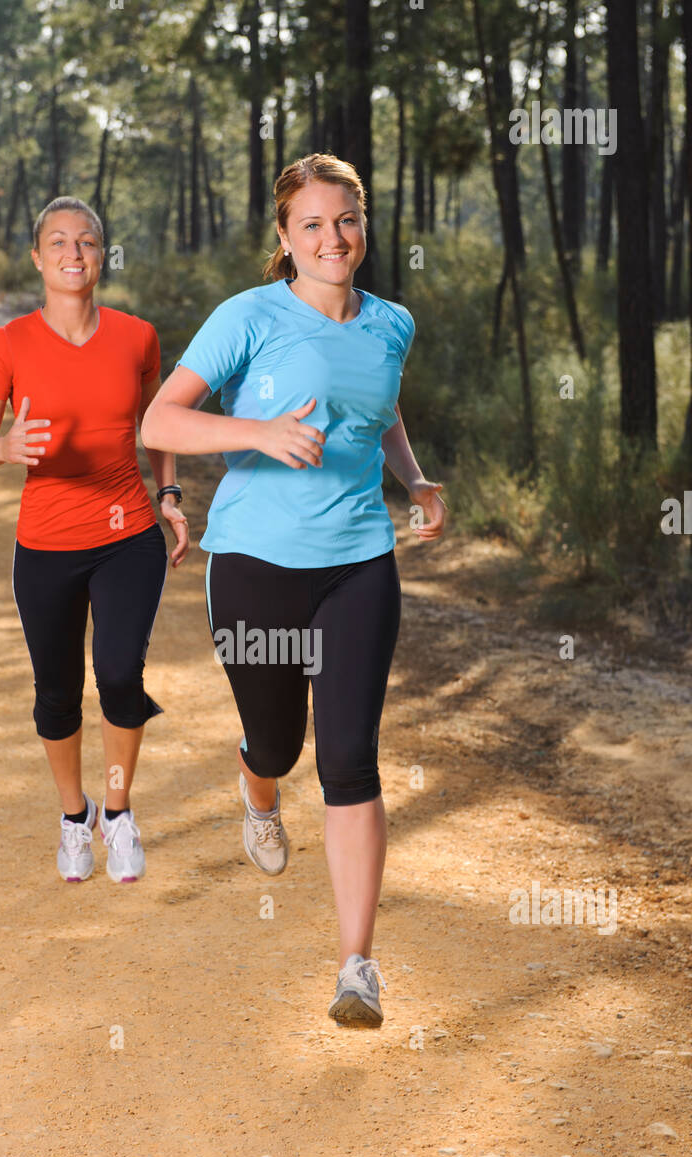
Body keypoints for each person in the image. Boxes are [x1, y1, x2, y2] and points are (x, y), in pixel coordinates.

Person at [142, 154, 446, 1026]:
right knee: (277, 745)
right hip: (254, 564)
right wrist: (258, 432)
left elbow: (378, 408)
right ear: (284, 239)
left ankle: (357, 966)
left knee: (349, 759)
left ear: (364, 223)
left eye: (344, 220)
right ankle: (257, 787)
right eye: (310, 225)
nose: (331, 239)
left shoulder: (392, 322)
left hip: (357, 564)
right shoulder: (248, 316)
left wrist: (414, 481)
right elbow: (160, 419)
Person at [0, 197, 188, 884]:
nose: (73, 253)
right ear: (37, 257)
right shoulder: (7, 345)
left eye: (86, 241)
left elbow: (157, 426)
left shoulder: (137, 337)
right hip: (46, 544)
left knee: (119, 675)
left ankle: (117, 813)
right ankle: (73, 816)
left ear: (101, 255)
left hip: (127, 539)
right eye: (57, 241)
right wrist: (2, 447)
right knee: (55, 692)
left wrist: (168, 495)